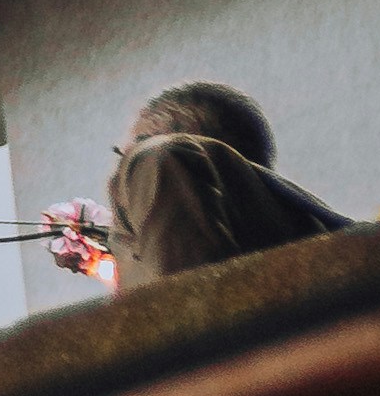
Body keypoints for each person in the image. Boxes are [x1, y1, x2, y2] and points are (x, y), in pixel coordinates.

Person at [105, 81, 347, 285]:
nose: (121, 173)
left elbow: (186, 303)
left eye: (126, 156)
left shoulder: (161, 156)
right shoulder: (287, 227)